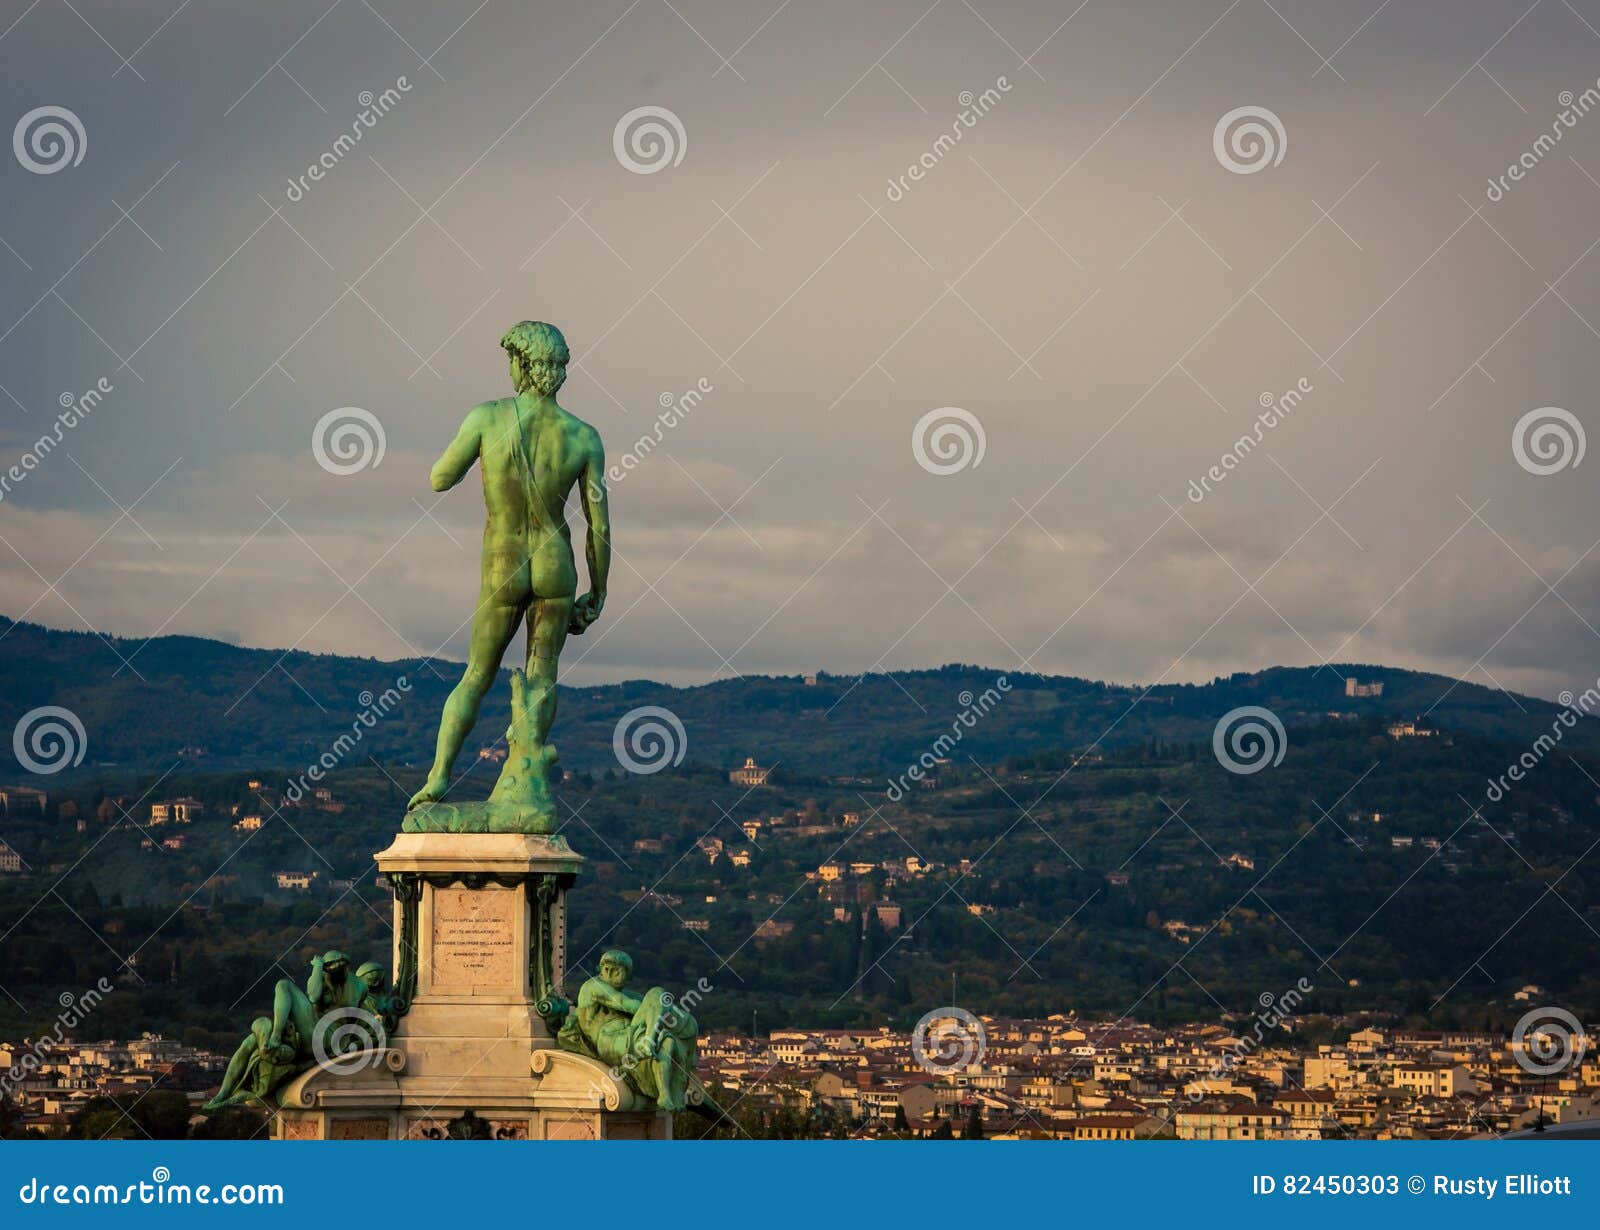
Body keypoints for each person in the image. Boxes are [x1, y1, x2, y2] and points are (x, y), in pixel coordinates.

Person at [407, 322, 610, 811]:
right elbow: (599, 526)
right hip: (556, 565)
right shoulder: (584, 437)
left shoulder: (487, 418)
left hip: (504, 563)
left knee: (478, 674)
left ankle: (438, 780)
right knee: (543, 673)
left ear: (520, 365)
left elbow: (439, 479)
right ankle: (528, 778)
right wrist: (598, 593)